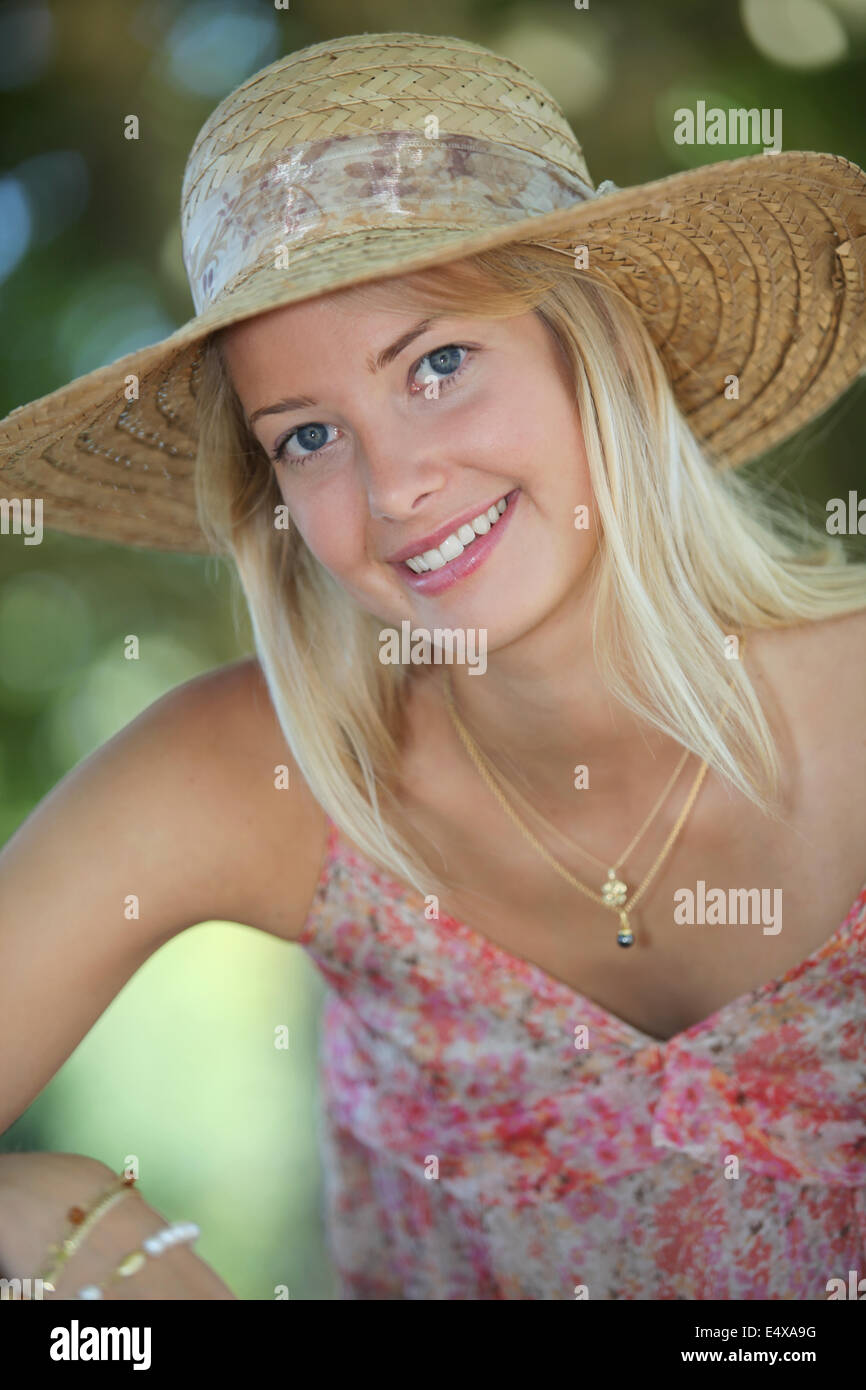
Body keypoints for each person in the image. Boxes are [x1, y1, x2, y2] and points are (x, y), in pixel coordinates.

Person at [1, 31, 865, 1301]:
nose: (394, 486)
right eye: (305, 436)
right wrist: (80, 1243)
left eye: (437, 365)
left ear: (598, 355)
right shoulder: (258, 775)